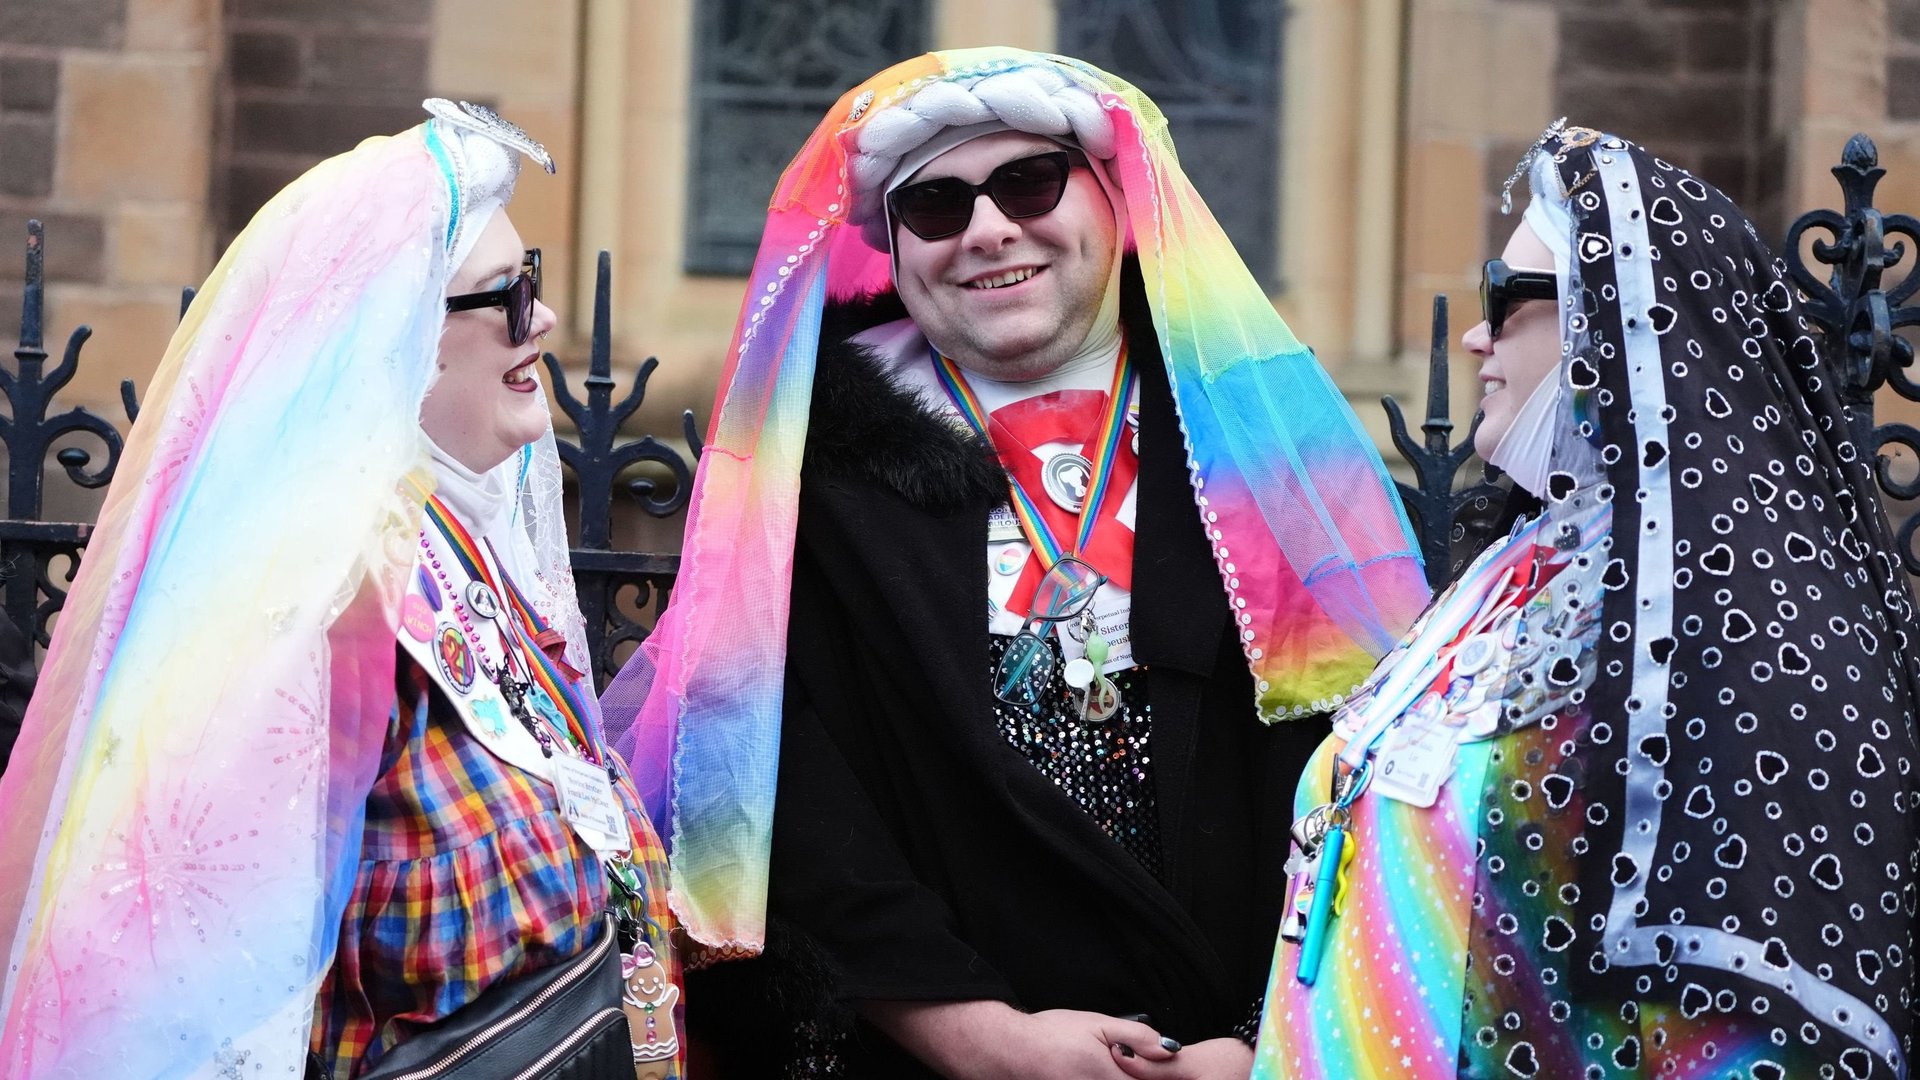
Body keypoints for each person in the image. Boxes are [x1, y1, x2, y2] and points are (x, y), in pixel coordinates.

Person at [601, 48, 1430, 1078]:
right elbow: (778, 790)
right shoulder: (802, 477)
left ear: (1115, 200)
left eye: (1029, 183)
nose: (989, 229)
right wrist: (975, 1036)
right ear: (894, 249)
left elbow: (1369, 768)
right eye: (938, 205)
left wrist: (1268, 1044)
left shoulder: (1266, 449)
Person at [0, 101, 682, 1079]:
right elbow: (215, 981)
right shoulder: (309, 605)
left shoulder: (480, 550)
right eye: (506, 295)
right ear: (394, 330)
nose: (546, 321)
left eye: (533, 284)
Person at [1254, 122, 1920, 1079]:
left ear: (1619, 321)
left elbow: (1760, 1016)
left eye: (1506, 295)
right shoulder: (1512, 571)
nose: (1477, 331)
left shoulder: (1750, 636)